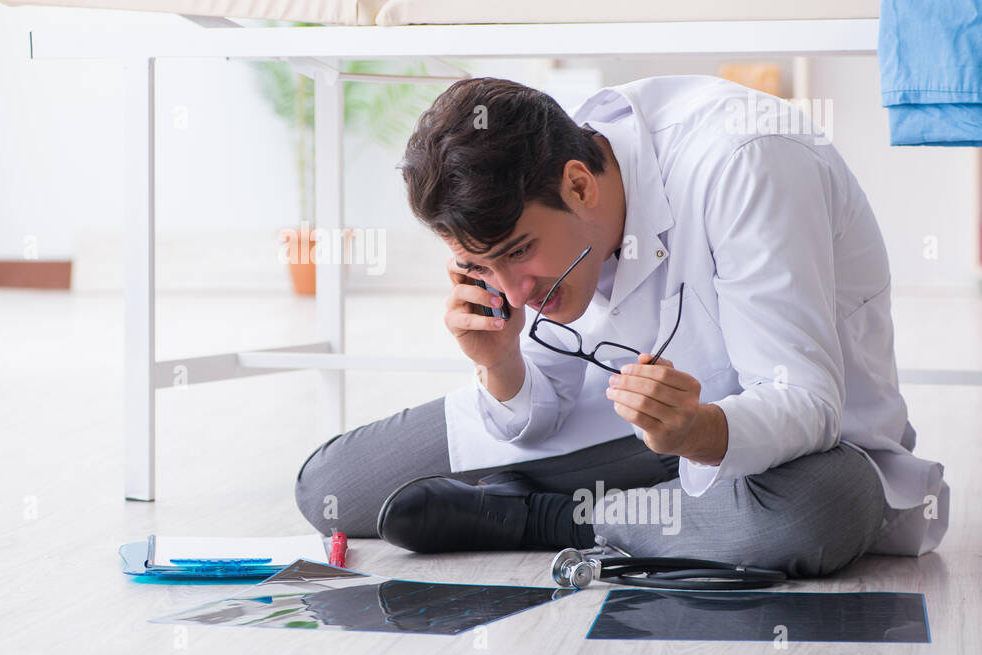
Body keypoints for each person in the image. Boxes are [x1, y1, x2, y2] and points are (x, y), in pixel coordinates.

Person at [293, 75, 949, 577]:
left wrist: (696, 427)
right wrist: (501, 364)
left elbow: (809, 401)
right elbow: (544, 406)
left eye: (520, 252)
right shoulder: (545, 203)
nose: (514, 292)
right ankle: (659, 509)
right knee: (331, 489)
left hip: (792, 440)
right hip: (628, 432)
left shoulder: (745, 163)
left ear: (580, 186)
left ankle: (553, 518)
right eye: (480, 266)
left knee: (816, 511)